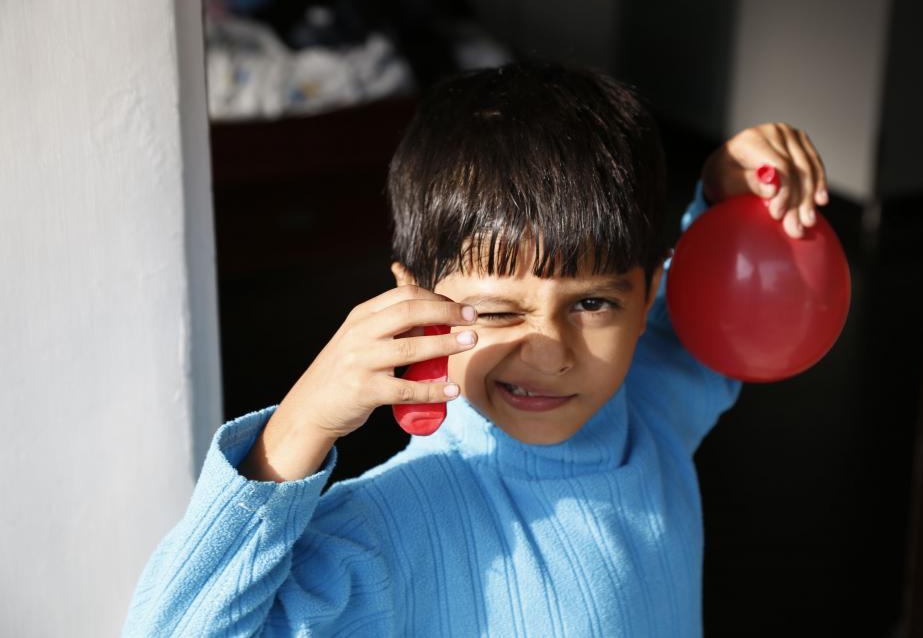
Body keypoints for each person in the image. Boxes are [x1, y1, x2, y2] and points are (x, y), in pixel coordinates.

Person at [123, 62, 829, 636]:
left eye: (592, 303)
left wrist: (728, 199)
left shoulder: (647, 413)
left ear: (645, 298)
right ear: (410, 302)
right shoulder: (392, 527)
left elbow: (702, 324)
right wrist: (299, 425)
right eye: (495, 311)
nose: (549, 353)